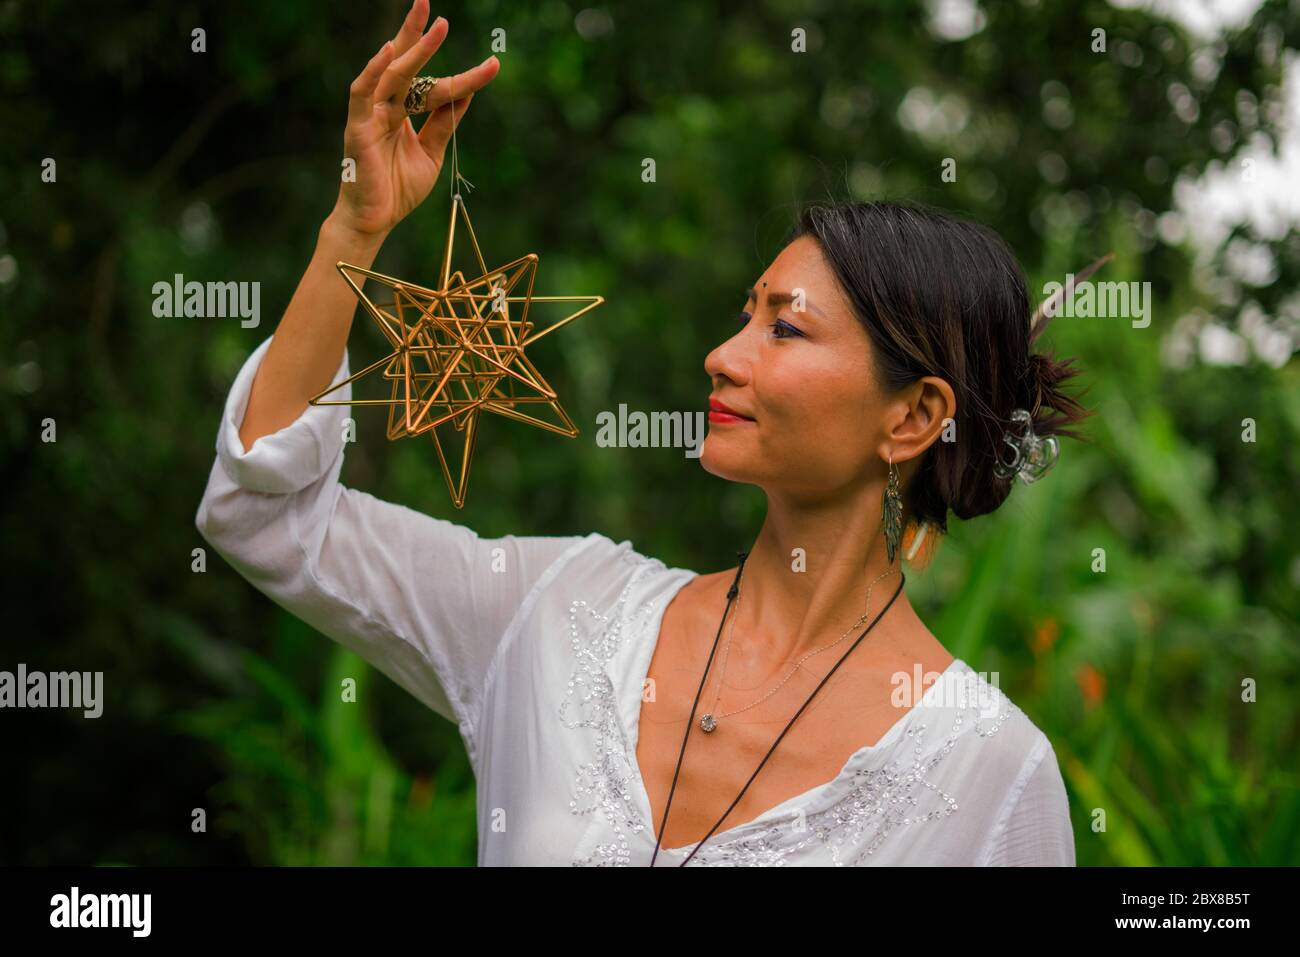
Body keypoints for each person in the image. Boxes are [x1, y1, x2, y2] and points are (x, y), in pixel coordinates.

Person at [196, 0, 1077, 866]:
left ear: (914, 416)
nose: (721, 356)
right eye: (744, 315)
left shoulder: (991, 774)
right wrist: (356, 225)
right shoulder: (556, 611)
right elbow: (269, 518)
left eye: (785, 328)